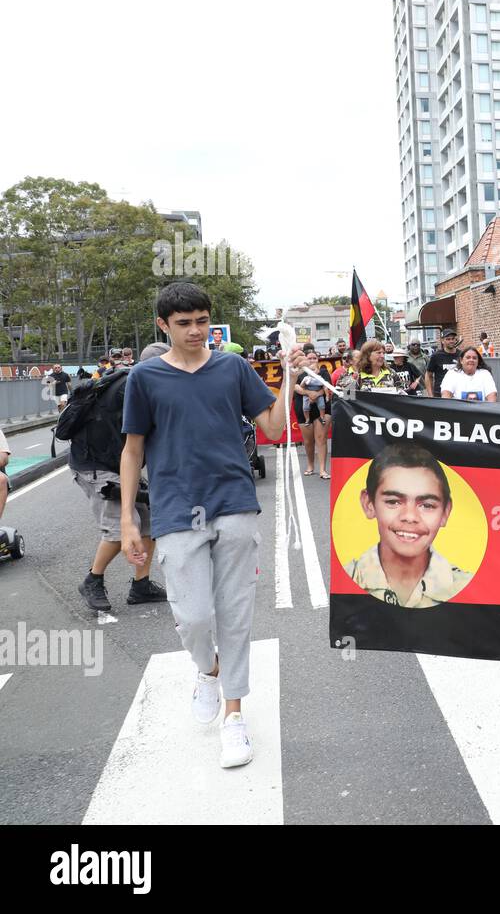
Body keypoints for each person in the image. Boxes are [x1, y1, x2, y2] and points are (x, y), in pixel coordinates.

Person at [119, 282, 306, 769]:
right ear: (163, 325)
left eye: (202, 321)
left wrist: (287, 375)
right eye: (184, 323)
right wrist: (127, 520)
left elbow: (269, 427)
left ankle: (235, 716)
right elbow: (132, 449)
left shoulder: (232, 367)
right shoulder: (144, 378)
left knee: (236, 613)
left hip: (234, 501)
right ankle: (208, 670)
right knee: (195, 616)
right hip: (177, 508)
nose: (196, 331)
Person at [58, 343, 169, 612]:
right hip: (96, 464)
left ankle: (141, 585)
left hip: (115, 462)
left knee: (148, 522)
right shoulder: (132, 388)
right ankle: (92, 580)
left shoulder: (137, 382)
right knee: (121, 528)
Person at [345, 443, 472, 607]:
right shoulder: (348, 577)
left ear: (445, 512)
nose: (410, 517)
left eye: (427, 505)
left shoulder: (467, 588)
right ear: (369, 504)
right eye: (393, 502)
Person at [293, 349, 330, 479]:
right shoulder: (299, 372)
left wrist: (317, 394)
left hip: (322, 408)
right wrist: (309, 393)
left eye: (315, 358)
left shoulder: (323, 371)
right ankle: (310, 465)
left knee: (321, 438)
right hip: (304, 406)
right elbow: (295, 387)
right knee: (308, 441)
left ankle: (322, 469)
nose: (312, 360)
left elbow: (327, 387)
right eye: (310, 358)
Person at [425, 329, 460, 397]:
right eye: (448, 339)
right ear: (442, 341)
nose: (451, 341)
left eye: (453, 339)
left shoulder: (461, 355)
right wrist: (430, 395)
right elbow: (428, 375)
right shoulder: (436, 356)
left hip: (458, 394)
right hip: (440, 394)